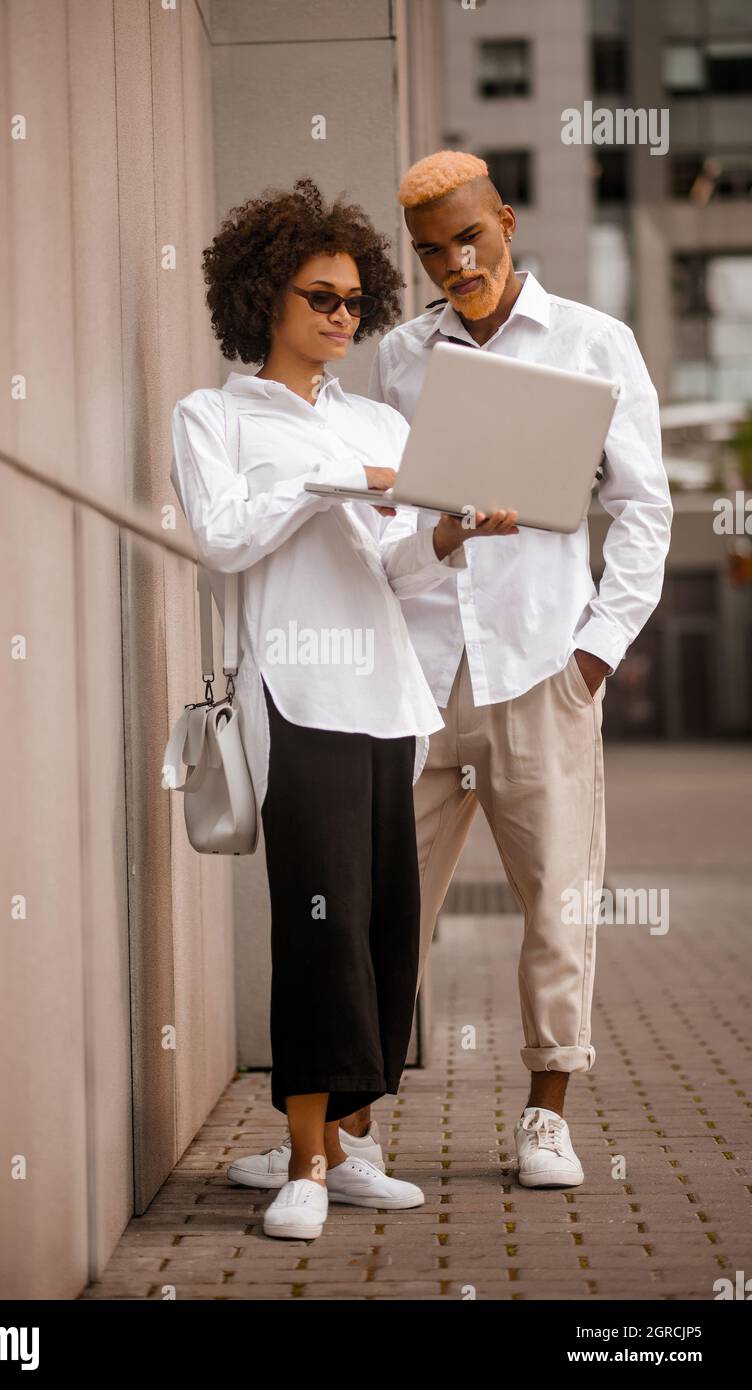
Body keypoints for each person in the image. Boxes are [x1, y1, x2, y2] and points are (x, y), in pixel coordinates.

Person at [230, 151, 672, 1194]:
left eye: (468, 238)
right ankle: (352, 1131)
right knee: (384, 907)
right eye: (430, 251)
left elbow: (644, 511)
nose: (453, 263)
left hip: (538, 668)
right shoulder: (400, 359)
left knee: (559, 901)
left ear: (506, 221)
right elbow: (393, 512)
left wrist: (595, 653)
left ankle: (546, 1111)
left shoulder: (594, 344)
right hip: (418, 671)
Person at [170, 175, 517, 1239]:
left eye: (354, 301)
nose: (341, 316)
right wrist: (331, 485)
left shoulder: (374, 418)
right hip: (299, 696)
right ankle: (304, 1166)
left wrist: (449, 533)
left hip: (386, 699)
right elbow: (223, 538)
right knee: (316, 928)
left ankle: (353, 1145)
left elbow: (401, 568)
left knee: (380, 928)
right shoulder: (216, 417)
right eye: (320, 296)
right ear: (266, 296)